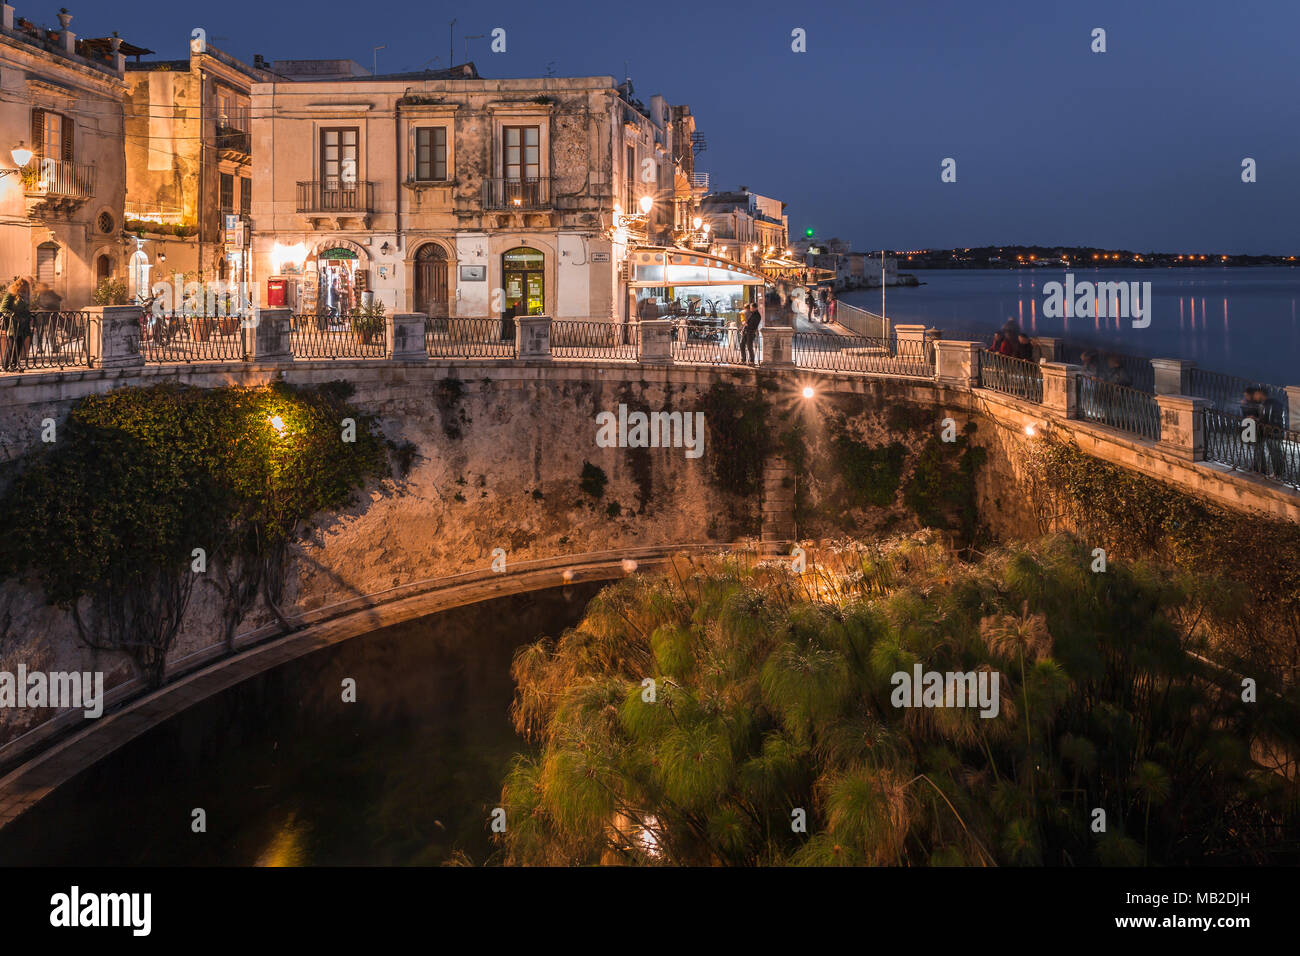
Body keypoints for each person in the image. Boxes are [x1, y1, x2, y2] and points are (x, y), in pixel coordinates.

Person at [1, 278, 33, 372]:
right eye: (24, 286)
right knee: (11, 345)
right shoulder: (10, 295)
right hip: (13, 324)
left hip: (23, 325)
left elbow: (26, 309)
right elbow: (3, 308)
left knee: (19, 345)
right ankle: (6, 365)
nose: (26, 289)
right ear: (18, 285)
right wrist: (13, 315)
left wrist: (29, 315)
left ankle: (14, 365)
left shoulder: (25, 297)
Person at [740, 300, 762, 365]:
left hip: (751, 332)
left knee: (749, 346)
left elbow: (754, 325)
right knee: (742, 345)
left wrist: (746, 324)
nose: (751, 309)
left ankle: (752, 361)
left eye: (752, 308)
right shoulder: (750, 313)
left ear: (755, 308)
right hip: (745, 331)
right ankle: (743, 360)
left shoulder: (757, 315)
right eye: (750, 308)